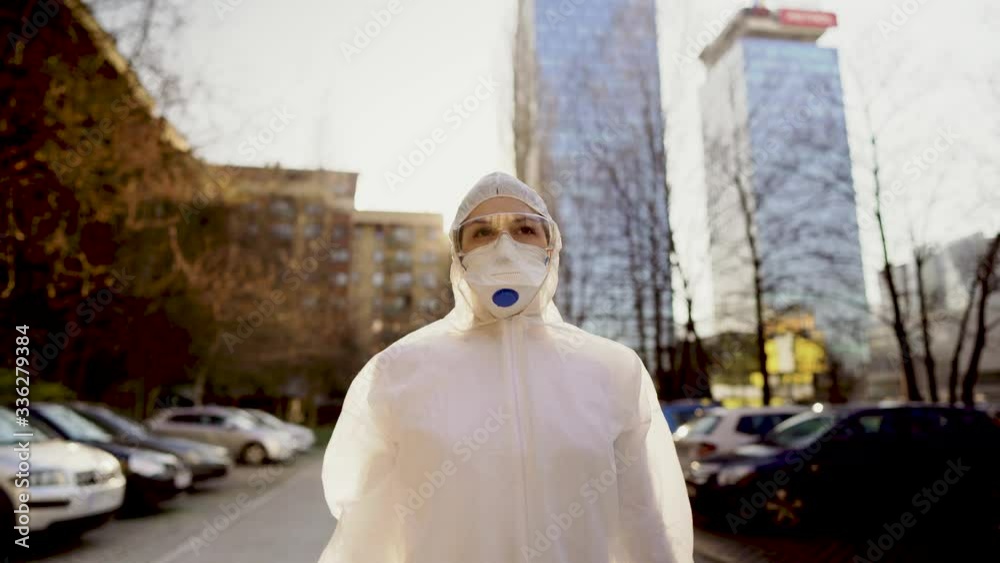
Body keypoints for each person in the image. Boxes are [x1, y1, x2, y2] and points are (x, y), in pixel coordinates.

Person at [319, 172, 693, 563]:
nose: (504, 248)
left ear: (551, 247)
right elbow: (365, 539)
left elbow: (645, 525)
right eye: (481, 233)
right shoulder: (397, 372)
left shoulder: (614, 369)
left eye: (525, 229)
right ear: (457, 254)